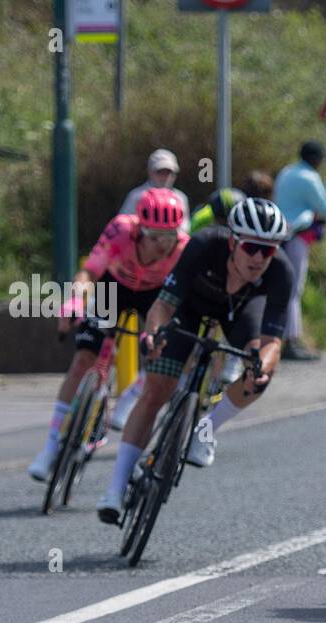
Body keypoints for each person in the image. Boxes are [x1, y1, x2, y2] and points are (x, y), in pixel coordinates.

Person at [94, 198, 293, 522]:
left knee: (260, 371)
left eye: (267, 250)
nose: (258, 258)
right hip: (189, 308)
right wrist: (152, 336)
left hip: (239, 313)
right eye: (252, 248)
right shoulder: (203, 245)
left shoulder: (282, 270)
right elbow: (162, 306)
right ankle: (115, 490)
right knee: (157, 389)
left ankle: (206, 429)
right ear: (233, 242)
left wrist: (262, 365)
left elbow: (273, 342)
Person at [27, 189, 189, 481]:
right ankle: (51, 446)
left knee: (164, 347)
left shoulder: (183, 248)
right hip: (114, 287)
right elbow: (89, 273)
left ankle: (131, 395)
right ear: (139, 229)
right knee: (83, 361)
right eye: (155, 236)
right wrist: (75, 301)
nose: (163, 244)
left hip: (155, 295)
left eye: (170, 235)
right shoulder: (121, 230)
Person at [273, 140, 326, 361]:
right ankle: (291, 341)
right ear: (317, 160)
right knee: (294, 288)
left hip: (280, 236)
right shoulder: (309, 177)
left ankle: (284, 337)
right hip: (296, 237)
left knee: (284, 286)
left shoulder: (288, 172)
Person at [119, 149, 191, 232]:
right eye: (160, 172)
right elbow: (123, 226)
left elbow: (185, 228)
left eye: (168, 172)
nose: (165, 177)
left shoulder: (181, 198)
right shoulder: (136, 196)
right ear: (150, 172)